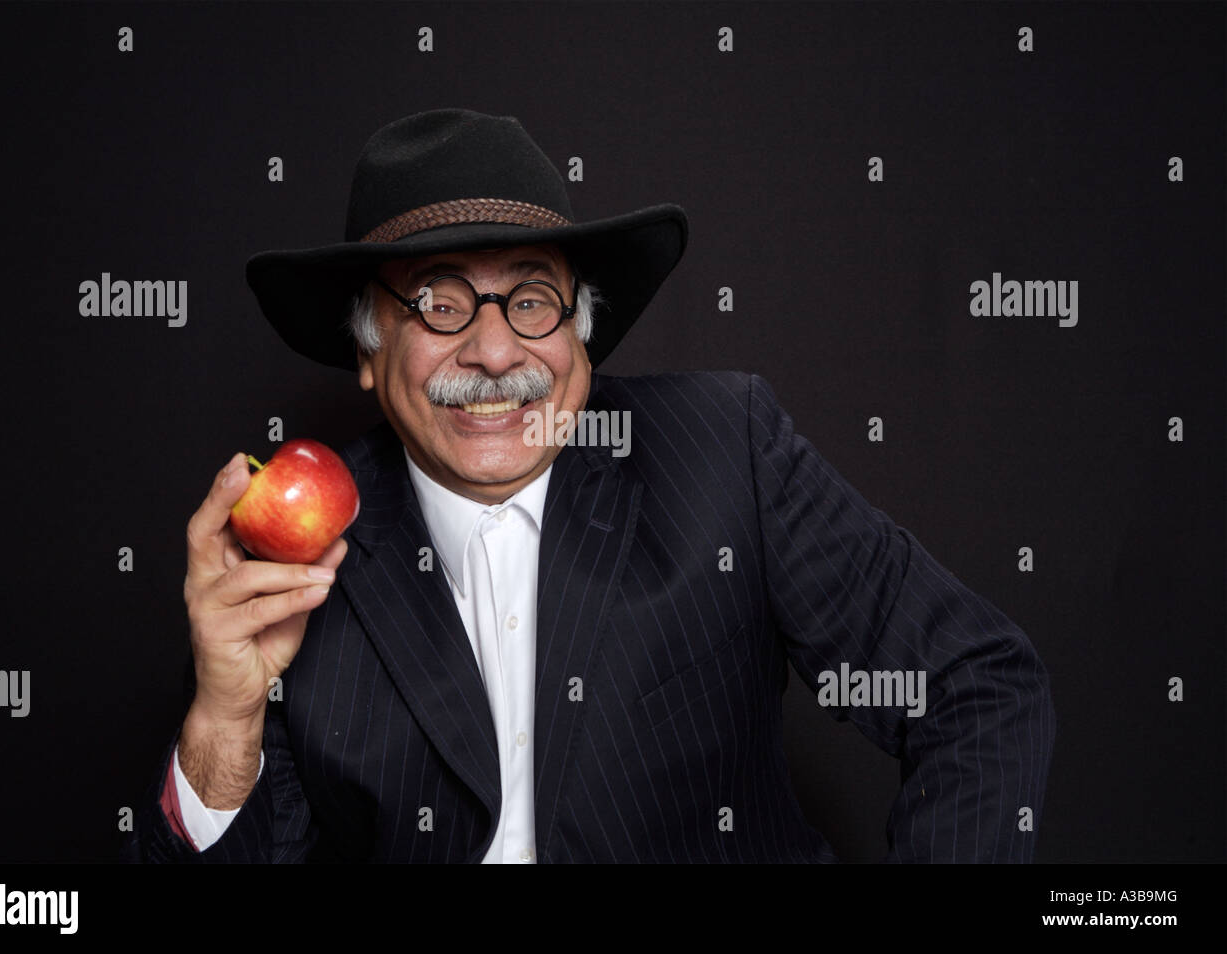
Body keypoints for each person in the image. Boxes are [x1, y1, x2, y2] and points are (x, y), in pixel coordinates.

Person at [125, 108, 1055, 863]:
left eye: (531, 299)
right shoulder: (282, 566)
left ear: (582, 334)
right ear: (367, 350)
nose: (494, 353)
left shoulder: (723, 451)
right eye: (440, 303)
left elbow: (975, 683)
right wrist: (226, 715)